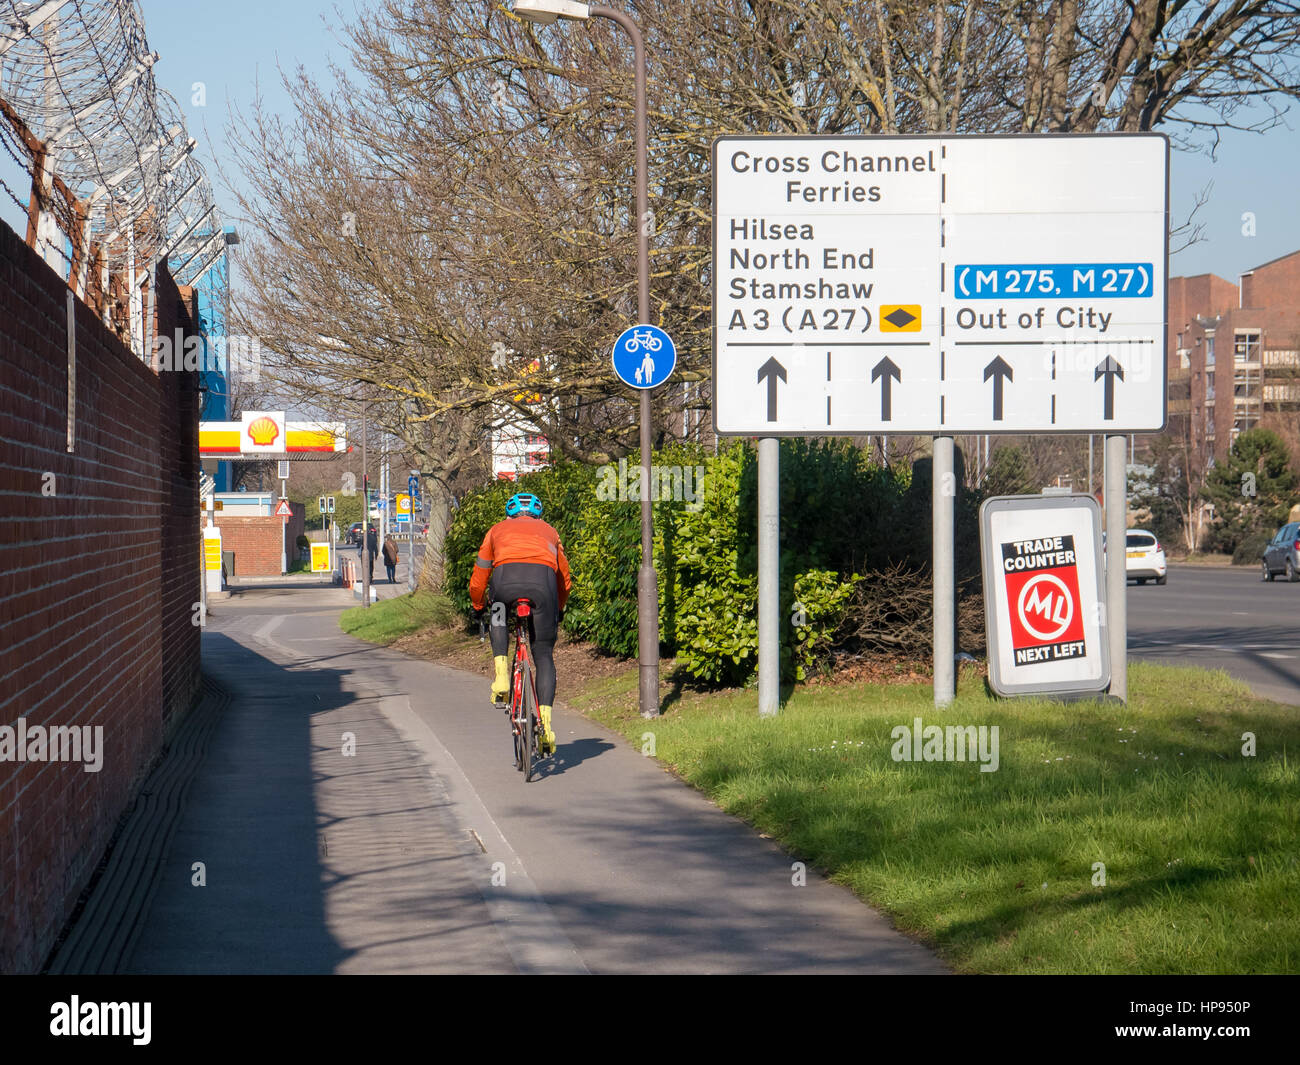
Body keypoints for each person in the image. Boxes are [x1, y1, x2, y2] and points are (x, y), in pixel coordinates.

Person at [468, 492, 571, 755]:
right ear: (538, 514)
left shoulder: (496, 531)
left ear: (509, 514)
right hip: (543, 588)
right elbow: (563, 578)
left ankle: (502, 678)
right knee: (544, 654)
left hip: (505, 585)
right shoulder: (550, 531)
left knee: (498, 613)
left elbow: (480, 574)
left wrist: (478, 605)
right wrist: (558, 606)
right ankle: (546, 726)